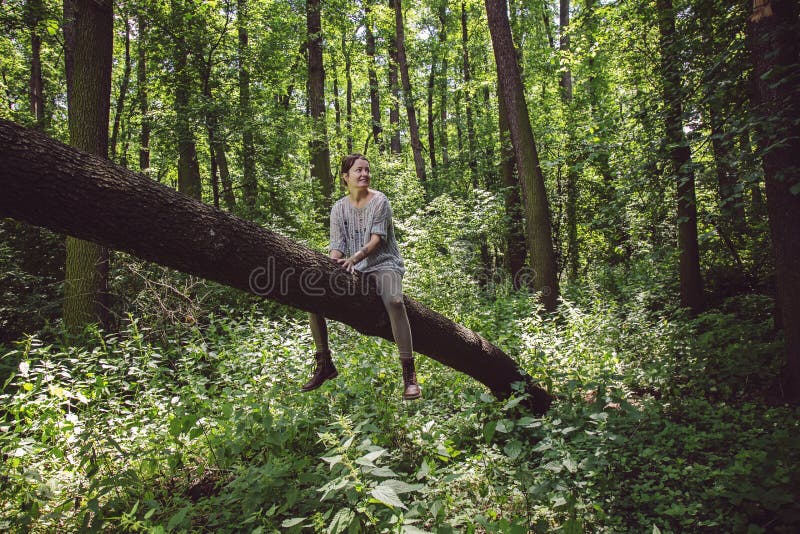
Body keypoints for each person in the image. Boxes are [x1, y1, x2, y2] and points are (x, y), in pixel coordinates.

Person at [301, 153, 421, 400]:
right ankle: (324, 363)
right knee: (311, 296)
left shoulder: (380, 201)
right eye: (358, 170)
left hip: (383, 263)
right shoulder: (338, 209)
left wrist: (353, 260)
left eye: (367, 169)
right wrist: (331, 265)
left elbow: (376, 241)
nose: (364, 174)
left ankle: (409, 375)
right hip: (354, 268)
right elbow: (337, 246)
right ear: (346, 177)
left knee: (395, 302)